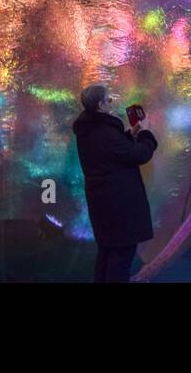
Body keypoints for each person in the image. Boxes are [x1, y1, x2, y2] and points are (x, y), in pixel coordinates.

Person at [72, 83, 157, 283]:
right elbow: (139, 154)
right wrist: (146, 134)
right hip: (119, 206)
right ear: (101, 106)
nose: (111, 103)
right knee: (121, 258)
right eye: (108, 100)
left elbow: (112, 152)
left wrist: (129, 134)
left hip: (102, 203)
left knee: (106, 254)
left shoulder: (88, 129)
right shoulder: (105, 133)